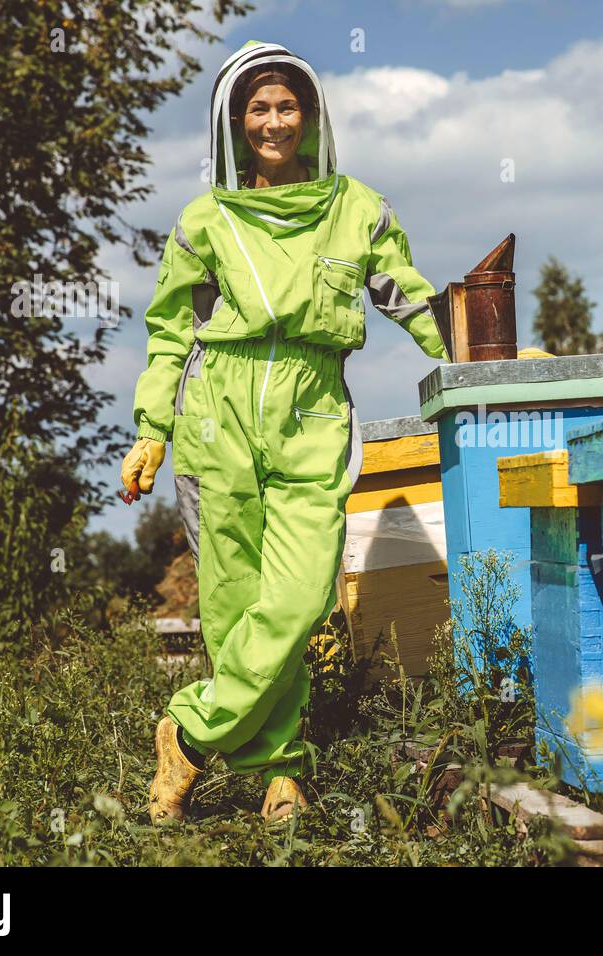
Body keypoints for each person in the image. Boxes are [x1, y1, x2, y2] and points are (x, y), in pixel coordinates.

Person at [119, 40, 448, 824]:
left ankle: (191, 731)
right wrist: (151, 428)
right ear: (236, 125)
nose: (274, 121)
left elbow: (408, 297)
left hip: (311, 412)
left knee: (301, 598)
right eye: (259, 108)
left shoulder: (358, 209)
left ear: (310, 117)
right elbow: (169, 333)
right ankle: (280, 771)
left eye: (287, 106)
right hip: (217, 414)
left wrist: (477, 362)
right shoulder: (204, 222)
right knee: (234, 605)